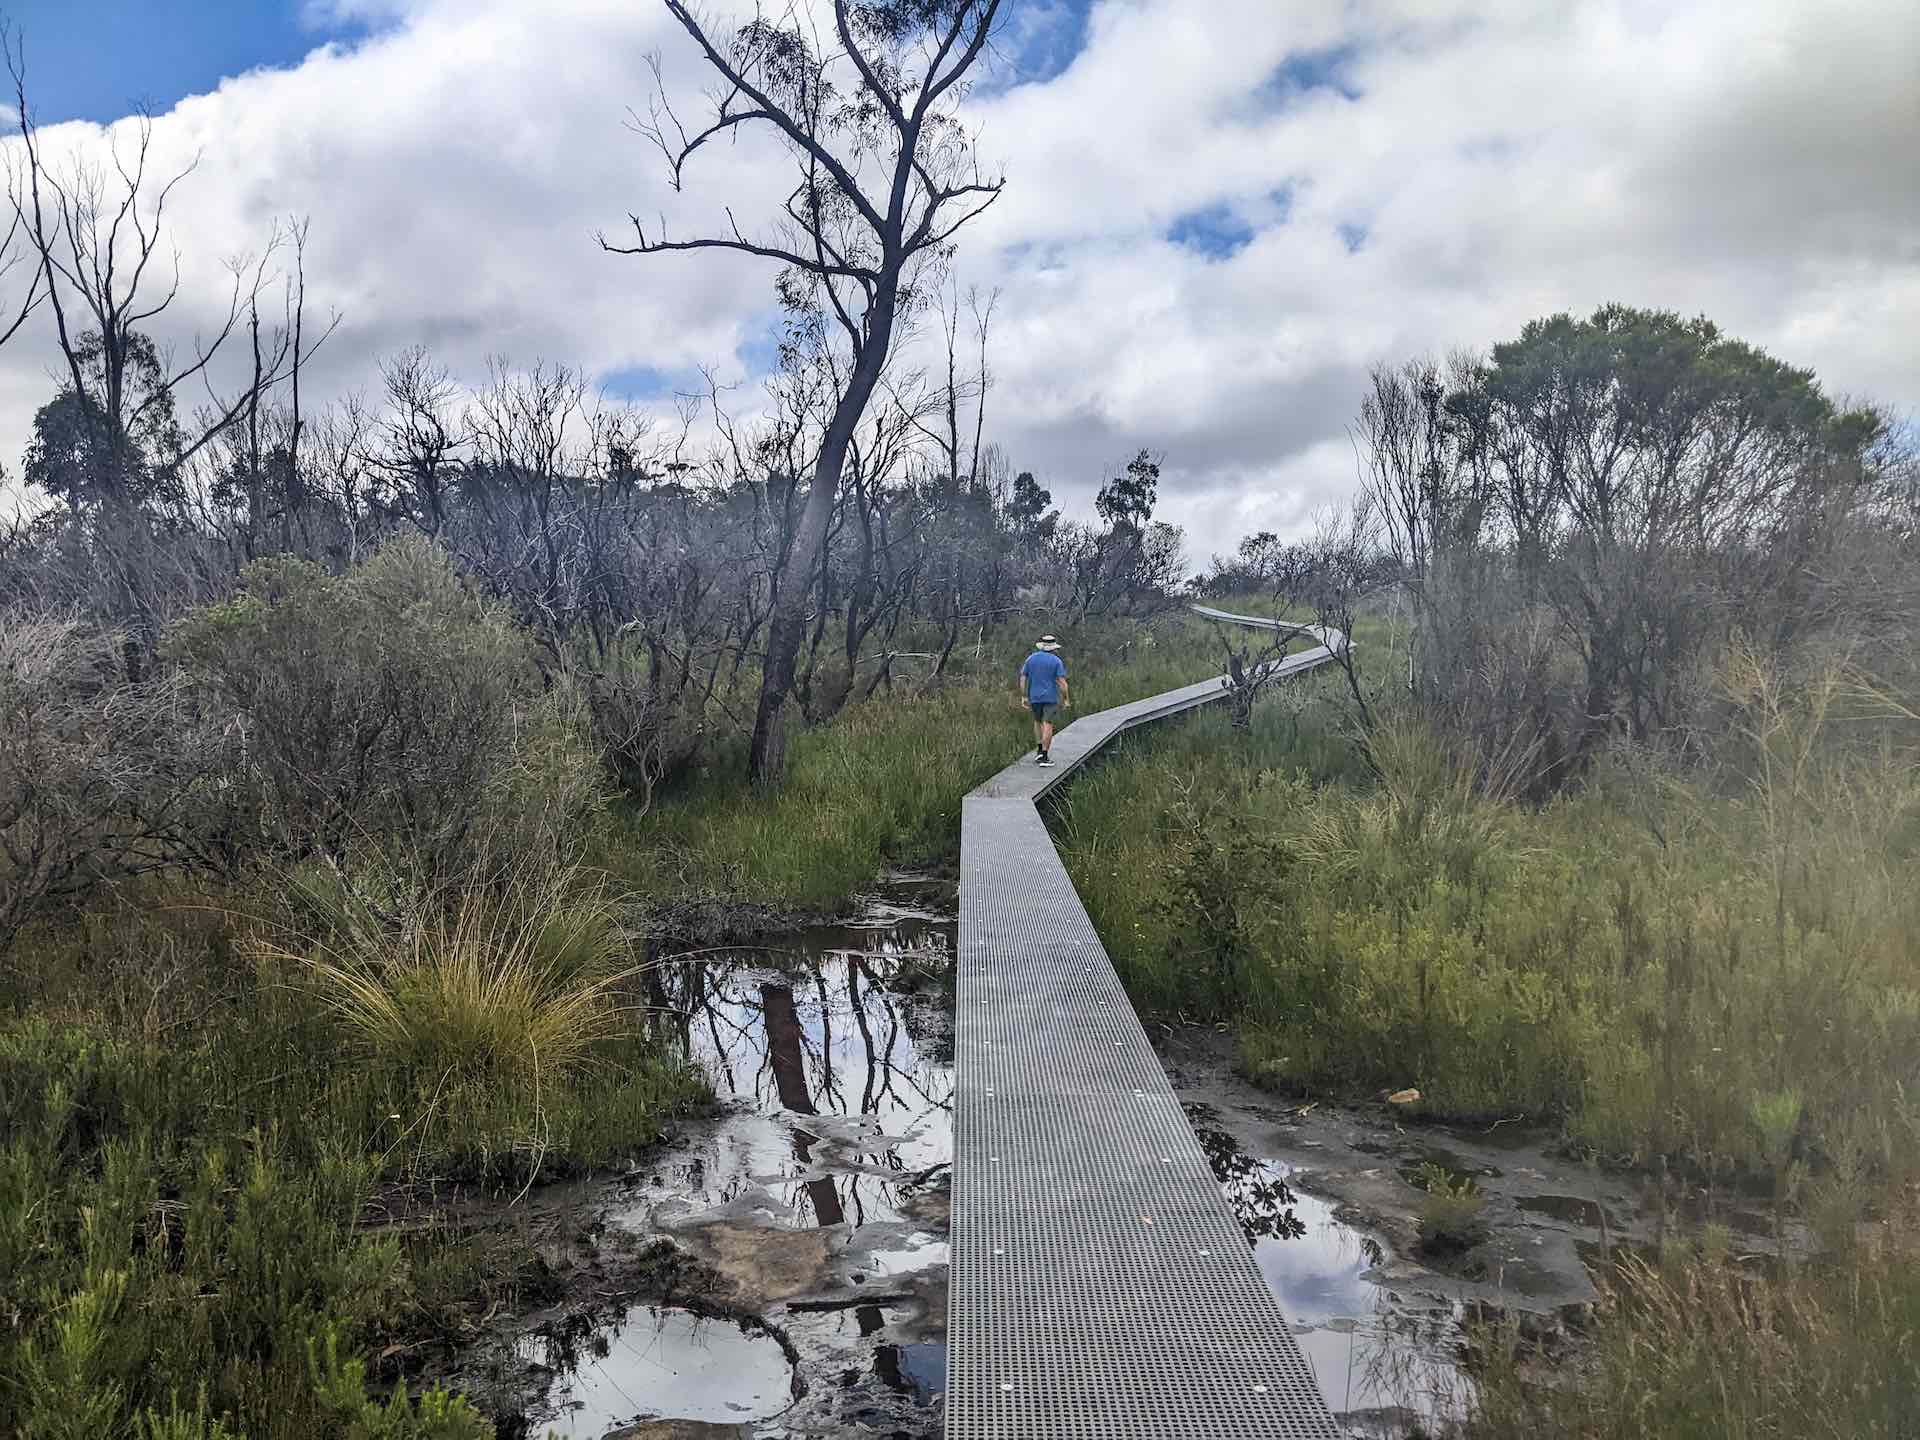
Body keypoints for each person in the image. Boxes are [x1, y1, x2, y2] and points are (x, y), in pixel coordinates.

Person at [1018, 635, 1070, 766]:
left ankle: (1039, 750)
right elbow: (1062, 683)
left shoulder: (1031, 659)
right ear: (1053, 648)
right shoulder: (1056, 661)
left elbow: (1023, 677)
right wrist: (1065, 699)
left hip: (1034, 696)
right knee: (1047, 723)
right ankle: (1045, 757)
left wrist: (1024, 696)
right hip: (1050, 697)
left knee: (1037, 721)